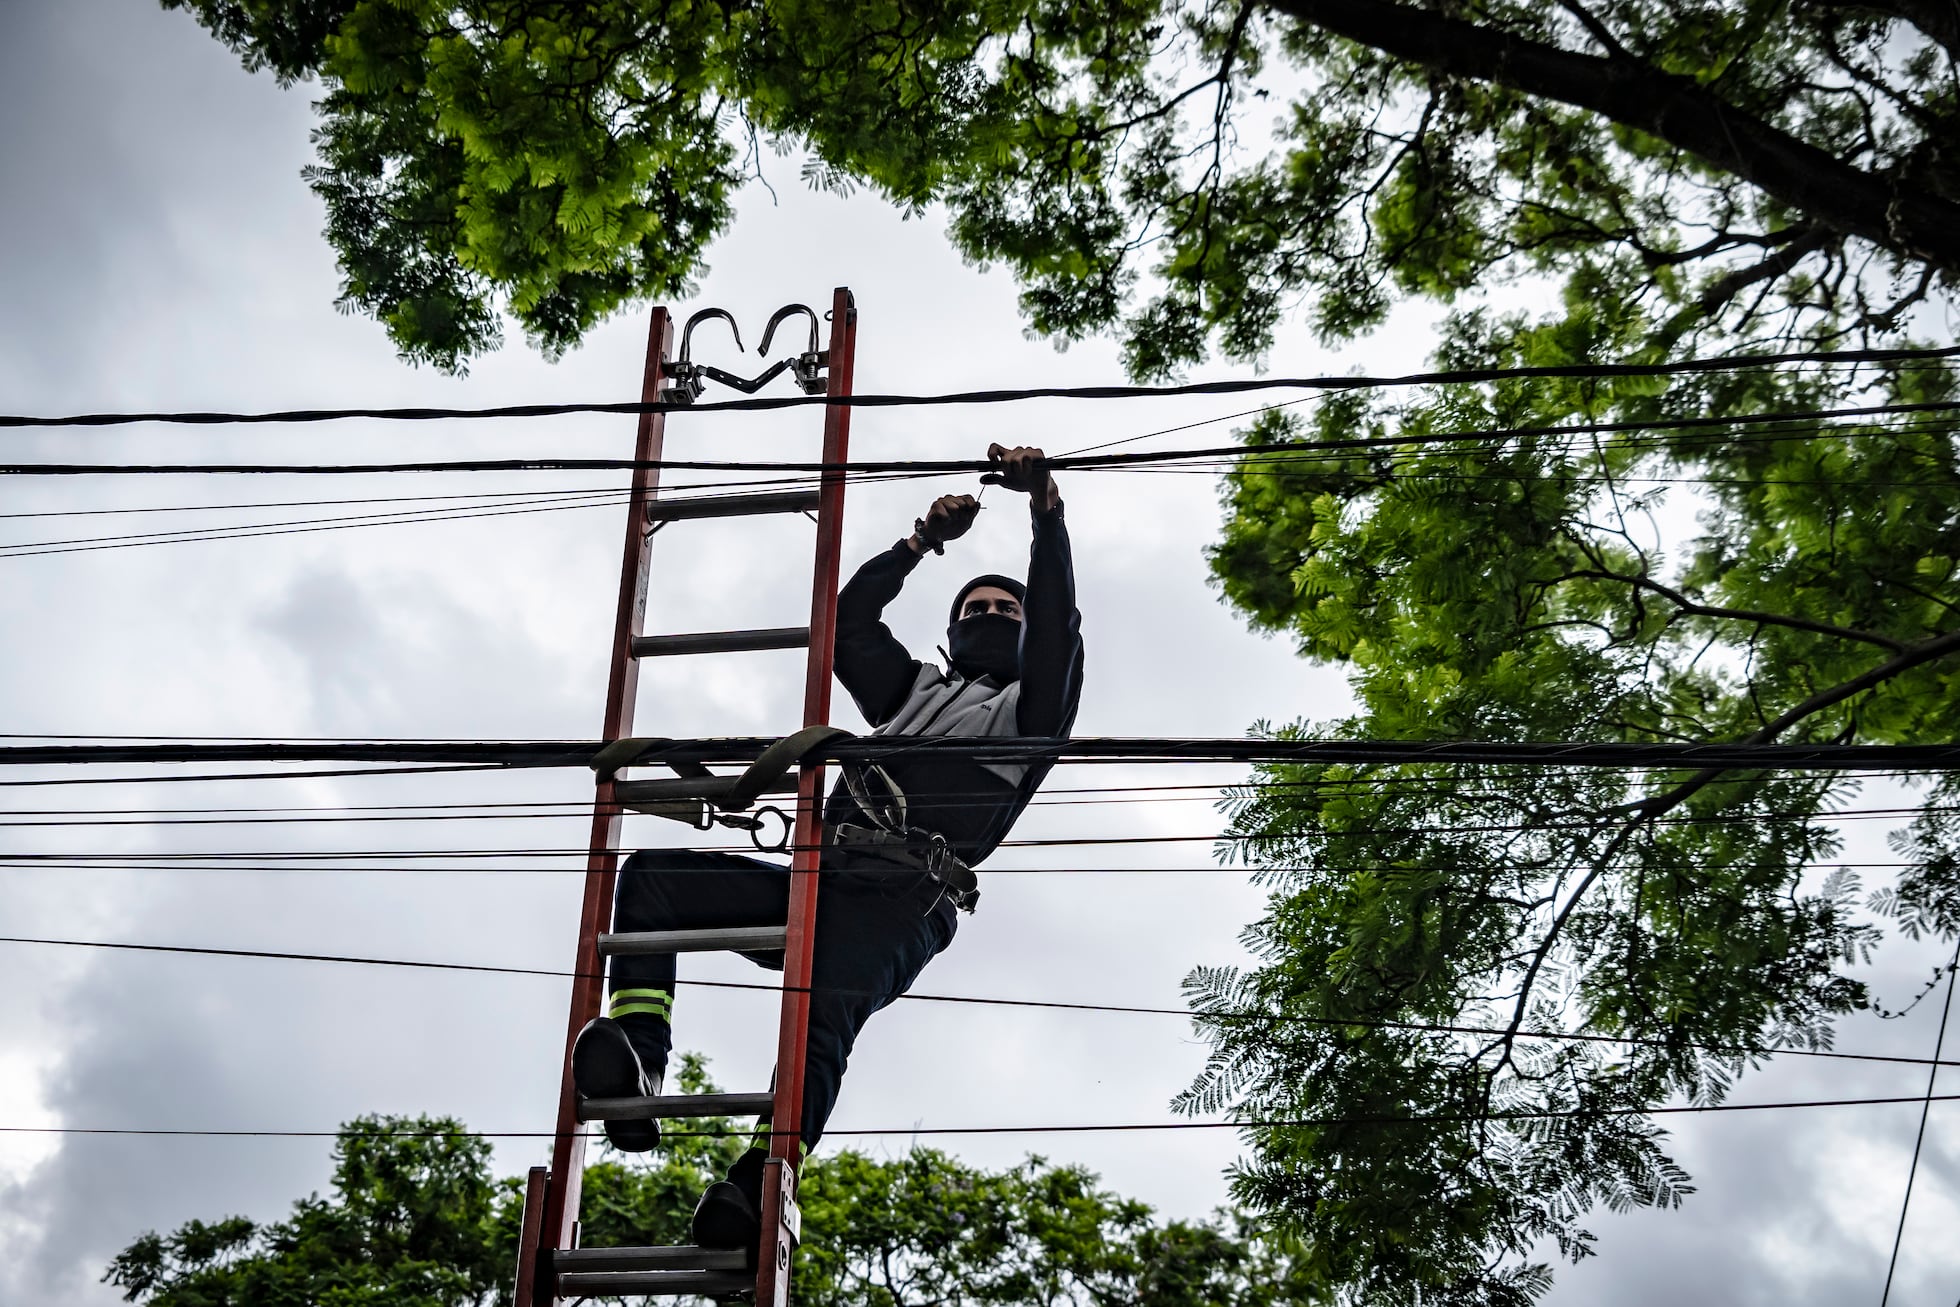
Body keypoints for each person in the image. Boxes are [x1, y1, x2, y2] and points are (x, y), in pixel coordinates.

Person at [570, 443, 1084, 1249]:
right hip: (821, 878)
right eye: (975, 608)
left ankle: (759, 1183)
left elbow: (1058, 627)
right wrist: (920, 542)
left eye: (1006, 611)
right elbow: (844, 629)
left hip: (900, 906)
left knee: (818, 1019)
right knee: (651, 881)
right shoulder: (914, 691)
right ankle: (639, 1054)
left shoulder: (1032, 712)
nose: (991, 615)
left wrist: (1044, 509)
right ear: (952, 633)